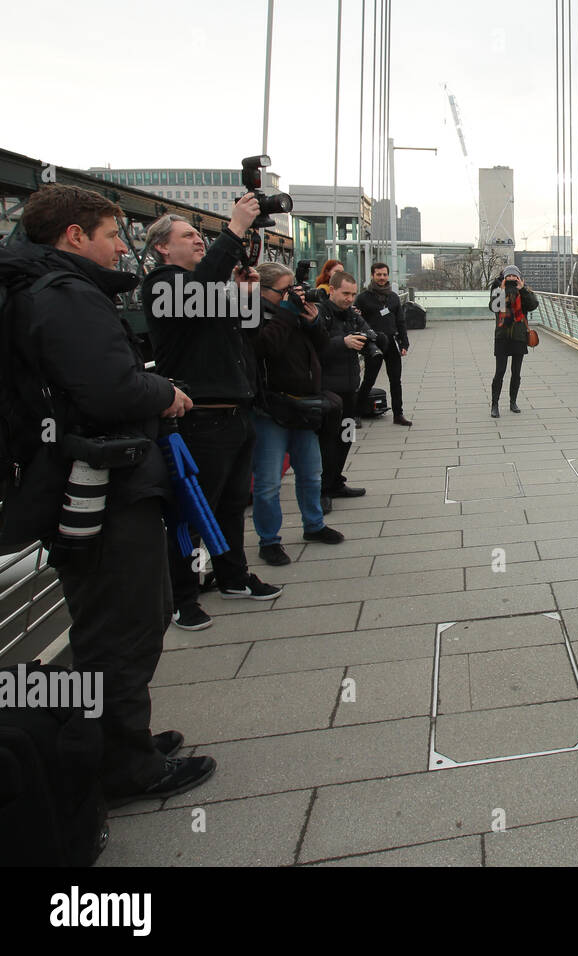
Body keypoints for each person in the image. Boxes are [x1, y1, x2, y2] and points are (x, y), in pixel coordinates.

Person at [0, 184, 215, 804]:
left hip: (71, 481)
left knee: (110, 621)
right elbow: (108, 390)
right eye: (112, 235)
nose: (123, 248)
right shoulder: (65, 296)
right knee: (126, 623)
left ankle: (123, 739)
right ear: (74, 236)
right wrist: (162, 393)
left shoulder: (38, 290)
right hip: (101, 486)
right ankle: (124, 766)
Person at [142, 196, 283, 633]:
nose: (198, 241)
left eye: (201, 236)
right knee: (188, 515)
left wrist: (246, 294)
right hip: (199, 419)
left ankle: (232, 576)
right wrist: (236, 227)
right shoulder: (163, 286)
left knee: (229, 505)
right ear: (163, 248)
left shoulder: (207, 289)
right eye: (188, 235)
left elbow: (252, 328)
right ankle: (183, 599)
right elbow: (197, 290)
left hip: (236, 414)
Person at [251, 263, 346, 565]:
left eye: (295, 288)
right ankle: (269, 540)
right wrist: (288, 313)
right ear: (264, 291)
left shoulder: (292, 314)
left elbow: (320, 349)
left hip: (304, 403)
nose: (294, 295)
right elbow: (266, 348)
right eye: (286, 290)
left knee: (310, 473)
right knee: (267, 482)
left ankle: (314, 525)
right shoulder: (252, 315)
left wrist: (314, 322)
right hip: (270, 408)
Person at [315, 270, 369, 501]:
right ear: (332, 289)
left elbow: (367, 333)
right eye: (345, 293)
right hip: (328, 390)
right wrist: (343, 342)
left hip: (349, 388)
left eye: (353, 294)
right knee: (327, 441)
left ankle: (336, 481)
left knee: (346, 436)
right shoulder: (319, 313)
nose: (349, 299)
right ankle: (323, 488)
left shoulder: (352, 315)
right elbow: (314, 347)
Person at [355, 262, 412, 426]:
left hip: (392, 343)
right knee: (369, 380)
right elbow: (356, 320)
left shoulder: (393, 297)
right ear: (372, 275)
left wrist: (404, 343)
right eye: (378, 274)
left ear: (388, 276)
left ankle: (398, 414)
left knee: (396, 380)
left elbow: (400, 321)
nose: (381, 278)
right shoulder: (363, 298)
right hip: (375, 344)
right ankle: (356, 413)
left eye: (384, 275)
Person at [488, 265, 537, 417]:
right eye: (508, 276)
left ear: (518, 278)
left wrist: (522, 289)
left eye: (514, 276)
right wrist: (502, 292)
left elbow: (533, 305)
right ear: (504, 277)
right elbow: (494, 308)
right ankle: (495, 405)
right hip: (502, 336)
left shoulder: (525, 290)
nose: (511, 279)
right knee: (500, 372)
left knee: (516, 372)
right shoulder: (497, 290)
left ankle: (513, 402)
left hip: (519, 337)